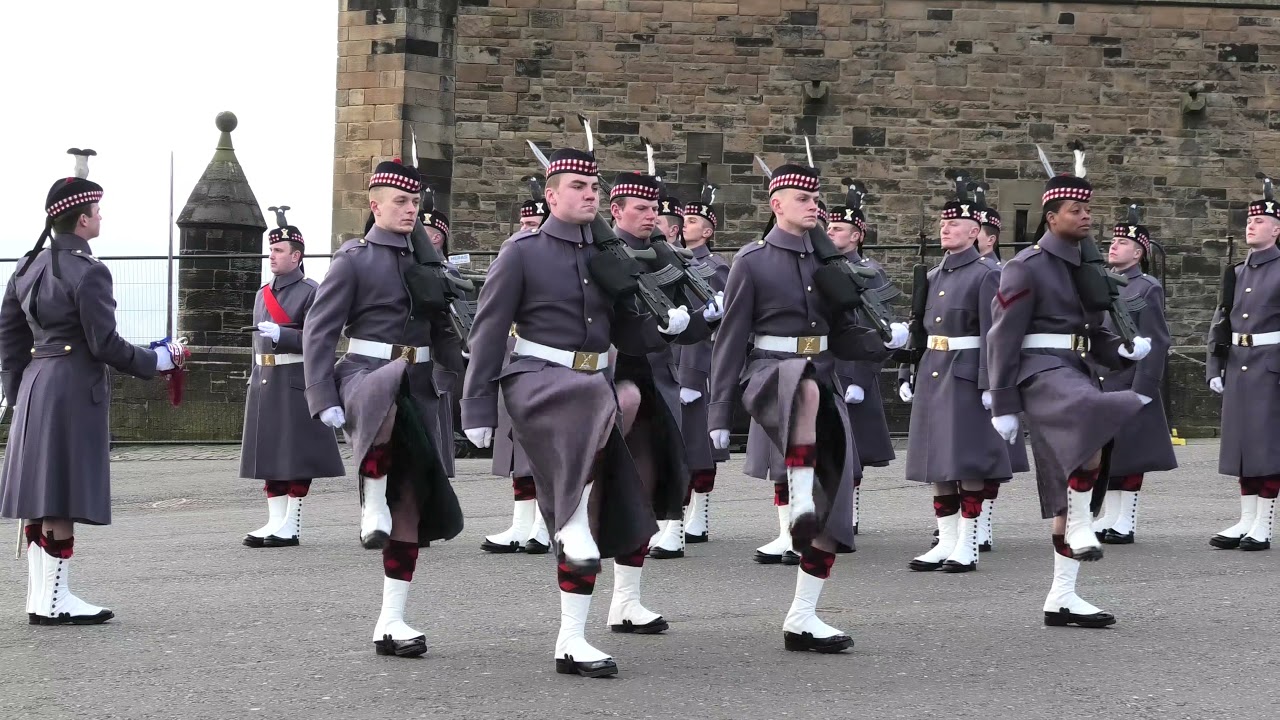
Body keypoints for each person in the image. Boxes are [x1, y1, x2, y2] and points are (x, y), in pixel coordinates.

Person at [461, 146, 692, 677]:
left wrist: (665, 324)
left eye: (594, 189)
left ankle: (571, 635)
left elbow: (625, 331)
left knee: (622, 400)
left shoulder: (606, 254)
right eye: (577, 188)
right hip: (537, 381)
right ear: (550, 196)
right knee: (602, 398)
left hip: (591, 382)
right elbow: (489, 329)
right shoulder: (523, 251)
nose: (589, 195)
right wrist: (477, 406)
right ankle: (571, 515)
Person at [709, 161, 907, 653]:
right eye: (803, 198)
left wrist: (888, 341)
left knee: (835, 498)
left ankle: (803, 616)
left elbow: (843, 335)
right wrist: (717, 415)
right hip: (770, 373)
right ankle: (796, 499)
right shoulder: (751, 261)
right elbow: (730, 338)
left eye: (816, 198)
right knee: (803, 388)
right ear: (776, 204)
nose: (814, 205)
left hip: (820, 376)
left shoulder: (829, 262)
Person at [2, 149, 187, 625]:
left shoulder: (24, 267)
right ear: (82, 219)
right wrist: (158, 360)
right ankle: (57, 599)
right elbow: (104, 343)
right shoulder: (90, 272)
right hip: (71, 389)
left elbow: (10, 336)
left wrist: (13, 386)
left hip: (34, 385)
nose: (101, 217)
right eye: (97, 211)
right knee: (59, 496)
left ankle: (40, 596)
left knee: (39, 497)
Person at [303, 157, 466, 658]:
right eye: (400, 201)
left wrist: (459, 376)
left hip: (416, 383)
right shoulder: (353, 259)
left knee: (411, 508)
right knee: (384, 397)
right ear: (374, 206)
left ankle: (391, 620)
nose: (410, 210)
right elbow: (320, 330)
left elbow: (444, 332)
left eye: (416, 202)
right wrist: (322, 396)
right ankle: (370, 500)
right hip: (364, 376)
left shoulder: (427, 263)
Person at [986, 145, 1152, 628]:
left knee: (1072, 476)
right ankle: (1084, 523)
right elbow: (1003, 336)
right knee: (1091, 419)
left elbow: (1094, 331)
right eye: (1075, 210)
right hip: (1039, 372)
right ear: (1050, 216)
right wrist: (1002, 402)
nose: (1086, 217)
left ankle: (1063, 596)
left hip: (1075, 368)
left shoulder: (1087, 268)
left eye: (1088, 210)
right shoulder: (1025, 266)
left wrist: (1120, 351)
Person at [897, 176, 1010, 573]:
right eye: (943, 223)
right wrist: (906, 370)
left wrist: (989, 383)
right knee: (937, 462)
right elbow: (920, 330)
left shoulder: (985, 274)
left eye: (955, 224)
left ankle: (969, 543)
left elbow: (993, 334)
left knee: (967, 463)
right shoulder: (932, 276)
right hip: (933, 369)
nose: (945, 228)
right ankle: (944, 540)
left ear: (975, 232)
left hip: (965, 375)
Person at [241, 208, 344, 548]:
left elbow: (321, 340)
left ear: (296, 256)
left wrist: (283, 335)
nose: (272, 256)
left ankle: (292, 525)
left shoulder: (312, 291)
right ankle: (275, 521)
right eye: (271, 250)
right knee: (270, 454)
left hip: (295, 378)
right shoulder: (262, 293)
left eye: (279, 250)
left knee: (296, 455)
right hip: (266, 378)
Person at [651, 190, 730, 557]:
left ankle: (689, 521)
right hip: (666, 364)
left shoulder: (714, 268)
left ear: (709, 231)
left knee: (695, 448)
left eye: (694, 221)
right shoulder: (671, 262)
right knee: (671, 447)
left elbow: (709, 328)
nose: (686, 227)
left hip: (692, 367)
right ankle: (674, 521)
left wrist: (693, 376)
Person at [1091, 210, 1176, 544]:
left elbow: (1157, 341)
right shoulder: (1104, 284)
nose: (1114, 247)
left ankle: (1125, 520)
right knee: (1109, 453)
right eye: (1113, 241)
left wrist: (1144, 388)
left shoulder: (1147, 288)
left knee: (1131, 452)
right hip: (1105, 381)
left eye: (1122, 243)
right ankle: (1110, 516)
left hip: (1130, 382)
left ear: (1139, 252)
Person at [1207, 178, 1280, 552]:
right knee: (1242, 447)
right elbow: (1221, 320)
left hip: (1270, 367)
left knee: (1266, 448)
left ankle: (1263, 525)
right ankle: (1247, 519)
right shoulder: (1236, 271)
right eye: (1249, 220)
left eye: (1260, 220)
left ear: (1277, 229)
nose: (1251, 224)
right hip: (1238, 364)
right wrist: (1213, 366)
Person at [483, 199, 551, 555]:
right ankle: (522, 522)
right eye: (523, 222)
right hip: (517, 358)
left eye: (534, 222)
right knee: (517, 449)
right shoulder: (514, 256)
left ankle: (545, 523)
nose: (527, 228)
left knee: (544, 450)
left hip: (550, 364)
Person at [828, 194, 895, 534]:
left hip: (854, 369)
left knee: (853, 448)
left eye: (838, 228)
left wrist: (861, 377)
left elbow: (879, 327)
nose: (830, 233)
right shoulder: (822, 268)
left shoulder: (870, 273)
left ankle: (849, 511)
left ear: (857, 235)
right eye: (828, 226)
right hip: (827, 365)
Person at [972, 207, 1029, 551]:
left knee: (989, 453)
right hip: (958, 373)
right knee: (962, 453)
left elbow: (994, 332)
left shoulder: (996, 273)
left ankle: (984, 522)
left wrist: (992, 381)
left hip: (986, 373)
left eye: (975, 229)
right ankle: (959, 522)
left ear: (990, 238)